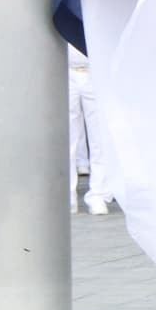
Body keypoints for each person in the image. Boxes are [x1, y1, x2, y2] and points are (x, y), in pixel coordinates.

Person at [66, 44, 115, 212]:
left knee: (98, 137)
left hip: (94, 71)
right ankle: (68, 194)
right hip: (67, 70)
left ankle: (98, 194)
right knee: (68, 137)